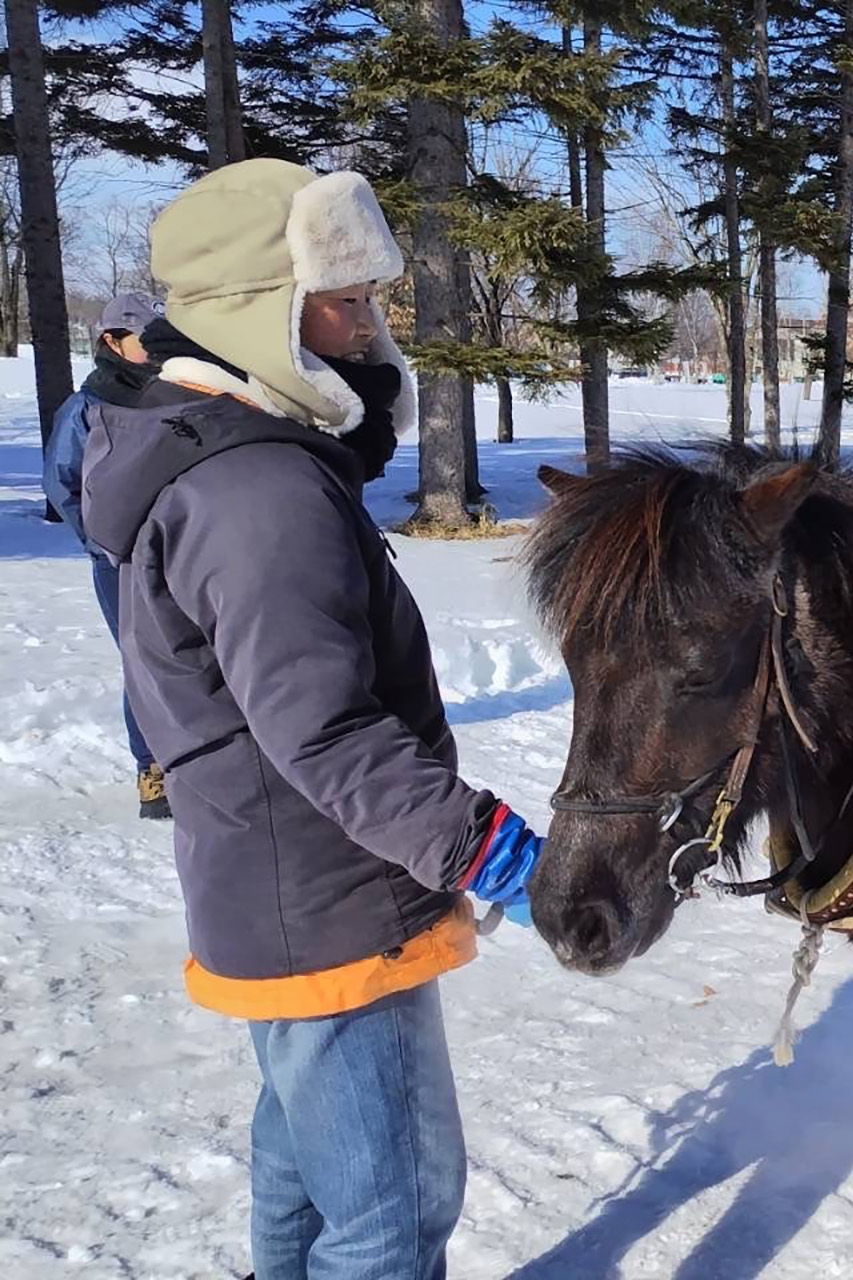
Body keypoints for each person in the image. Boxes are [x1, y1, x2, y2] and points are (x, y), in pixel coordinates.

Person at [80, 158, 543, 1280]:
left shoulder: (207, 443)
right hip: (331, 894)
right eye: (344, 300)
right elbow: (323, 730)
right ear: (261, 312)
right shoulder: (258, 496)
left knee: (302, 1151)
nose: (370, 325)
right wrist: (492, 849)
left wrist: (359, 407)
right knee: (394, 1213)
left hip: (275, 874)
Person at [42, 292, 170, 818]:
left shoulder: (175, 395)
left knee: (196, 656)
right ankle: (153, 770)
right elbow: (61, 482)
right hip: (118, 561)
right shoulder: (85, 407)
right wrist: (101, 540)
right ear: (111, 341)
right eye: (145, 339)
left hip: (178, 551)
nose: (156, 349)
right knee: (143, 664)